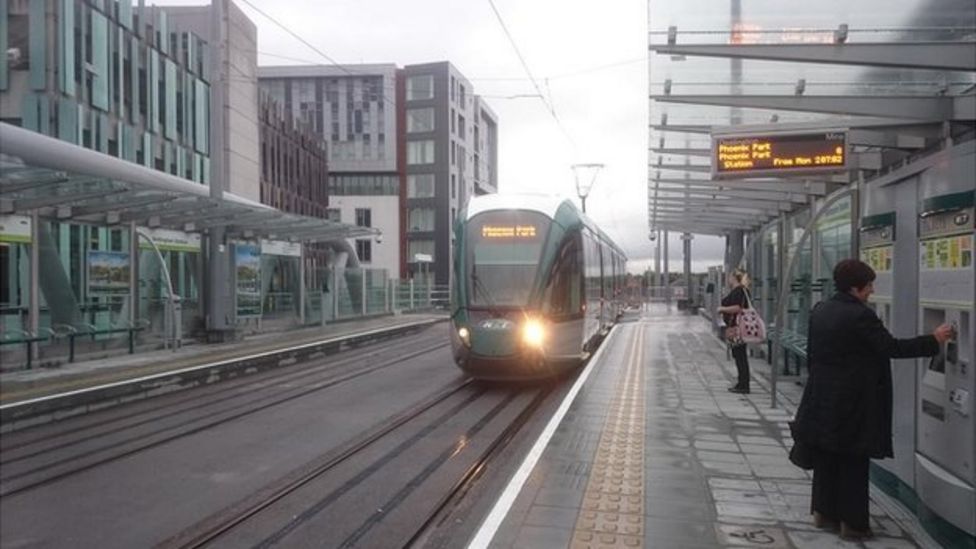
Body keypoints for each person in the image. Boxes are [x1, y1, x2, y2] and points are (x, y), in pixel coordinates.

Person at [791, 259, 953, 541]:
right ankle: (853, 524)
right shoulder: (860, 316)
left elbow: (816, 354)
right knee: (853, 460)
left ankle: (824, 513)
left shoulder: (821, 310)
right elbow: (891, 347)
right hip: (853, 401)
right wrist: (933, 339)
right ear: (855, 288)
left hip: (822, 396)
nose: (872, 291)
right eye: (868, 286)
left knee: (827, 456)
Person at [717, 268, 752, 394]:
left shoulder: (740, 291)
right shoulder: (741, 290)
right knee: (738, 354)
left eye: (730, 276)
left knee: (740, 355)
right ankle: (742, 382)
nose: (728, 279)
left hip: (737, 327)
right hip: (735, 327)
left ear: (735, 277)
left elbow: (738, 307)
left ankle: (743, 384)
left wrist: (723, 309)